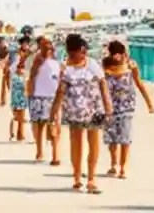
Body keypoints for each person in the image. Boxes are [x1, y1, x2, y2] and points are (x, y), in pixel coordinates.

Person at [53, 33, 112, 194]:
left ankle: (91, 178)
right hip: (74, 111)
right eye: (72, 53)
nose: (77, 55)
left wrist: (108, 108)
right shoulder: (66, 68)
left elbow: (103, 85)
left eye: (79, 51)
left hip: (94, 110)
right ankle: (77, 176)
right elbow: (60, 91)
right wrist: (54, 112)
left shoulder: (92, 64)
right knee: (76, 144)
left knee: (94, 144)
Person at [103, 40, 154, 178]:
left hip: (127, 107)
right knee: (112, 138)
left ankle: (122, 167)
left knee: (125, 138)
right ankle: (114, 163)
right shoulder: (105, 66)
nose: (119, 56)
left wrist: (149, 103)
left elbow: (139, 83)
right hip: (109, 107)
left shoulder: (131, 66)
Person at [28, 35, 63, 166]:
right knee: (39, 125)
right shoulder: (37, 60)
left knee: (54, 126)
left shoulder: (57, 63)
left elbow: (60, 78)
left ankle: (55, 155)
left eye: (50, 47)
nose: (48, 50)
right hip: (38, 96)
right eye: (45, 47)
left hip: (53, 97)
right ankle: (39, 150)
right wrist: (30, 95)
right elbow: (31, 76)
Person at [9, 39, 31, 141]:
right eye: (24, 44)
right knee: (17, 112)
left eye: (27, 44)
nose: (26, 46)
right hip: (17, 84)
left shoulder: (28, 56)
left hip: (22, 83)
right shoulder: (16, 55)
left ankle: (20, 133)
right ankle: (16, 133)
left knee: (21, 111)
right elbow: (11, 69)